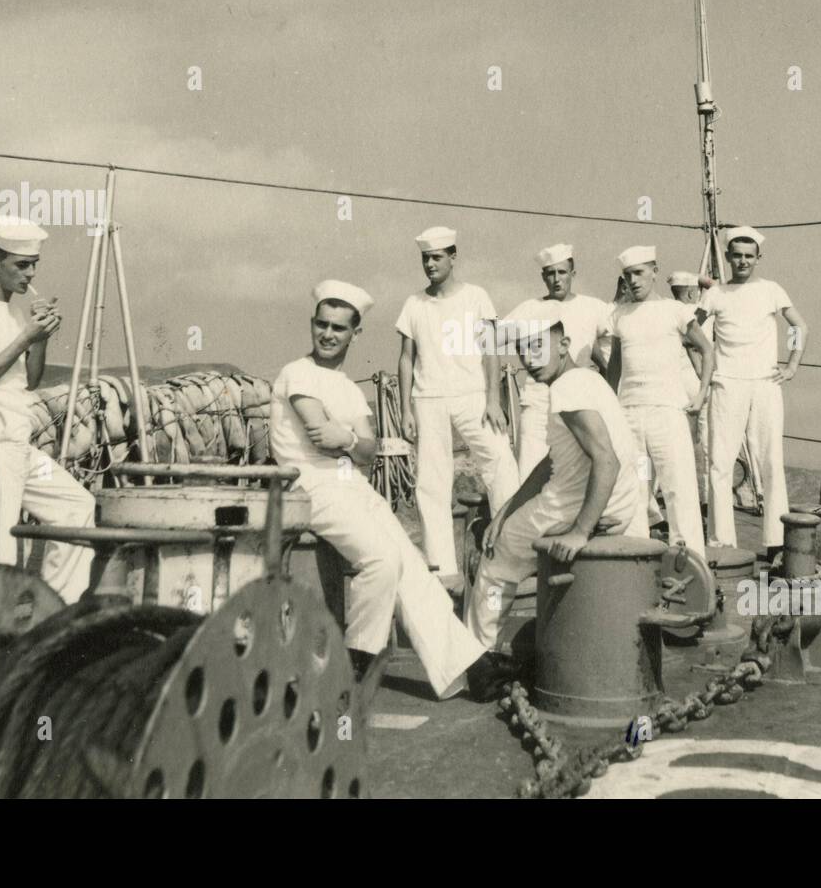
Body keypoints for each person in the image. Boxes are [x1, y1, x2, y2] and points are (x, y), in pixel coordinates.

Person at [269, 281, 484, 698]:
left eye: (339, 328)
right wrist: (351, 440)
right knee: (382, 561)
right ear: (313, 324)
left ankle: (463, 668)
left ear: (355, 333)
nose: (328, 334)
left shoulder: (349, 388)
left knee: (413, 568)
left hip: (353, 485)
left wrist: (347, 439)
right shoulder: (296, 373)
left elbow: (367, 451)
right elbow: (319, 436)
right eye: (321, 325)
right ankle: (354, 665)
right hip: (308, 485)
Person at [466, 303, 647, 699]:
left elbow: (607, 459)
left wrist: (581, 530)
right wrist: (510, 508)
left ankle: (481, 660)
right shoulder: (587, 380)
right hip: (615, 504)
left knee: (494, 562)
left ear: (563, 344)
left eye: (537, 346)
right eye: (521, 349)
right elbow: (553, 459)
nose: (529, 359)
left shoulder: (566, 389)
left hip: (575, 504)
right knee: (507, 528)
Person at [0, 215, 95, 602]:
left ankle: (57, 610)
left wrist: (39, 337)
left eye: (34, 265)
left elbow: (29, 379)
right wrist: (26, 336)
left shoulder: (15, 313)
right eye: (21, 265)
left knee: (77, 506)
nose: (30, 274)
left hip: (16, 438)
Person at [395, 227, 518, 589]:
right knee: (432, 482)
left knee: (500, 461)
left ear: (453, 257)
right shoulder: (413, 304)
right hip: (428, 397)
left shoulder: (476, 297)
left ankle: (509, 548)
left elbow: (492, 349)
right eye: (425, 259)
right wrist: (404, 410)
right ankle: (443, 568)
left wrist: (494, 399)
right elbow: (405, 360)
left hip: (472, 394)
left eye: (436, 258)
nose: (430, 265)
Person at [696, 226, 808, 553]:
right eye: (737, 256)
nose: (743, 261)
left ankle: (775, 541)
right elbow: (692, 332)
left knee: (770, 459)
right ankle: (721, 543)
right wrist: (707, 372)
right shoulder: (714, 294)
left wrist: (792, 365)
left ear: (758, 258)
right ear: (729, 257)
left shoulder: (772, 290)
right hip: (726, 384)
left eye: (749, 256)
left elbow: (800, 325)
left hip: (764, 383)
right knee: (720, 463)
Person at [605, 246, 714, 553]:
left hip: (667, 413)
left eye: (639, 273)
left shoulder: (675, 311)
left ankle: (691, 560)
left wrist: (702, 393)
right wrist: (610, 404)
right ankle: (638, 561)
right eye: (628, 275)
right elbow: (615, 364)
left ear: (654, 271)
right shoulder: (619, 315)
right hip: (629, 413)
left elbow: (706, 350)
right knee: (635, 489)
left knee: (678, 486)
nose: (634, 281)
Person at [505, 243, 610, 480]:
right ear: (543, 277)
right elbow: (490, 339)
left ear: (573, 273)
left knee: (578, 473)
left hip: (578, 403)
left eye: (562, 272)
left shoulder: (594, 307)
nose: (556, 279)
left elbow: (616, 344)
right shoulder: (529, 308)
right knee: (530, 475)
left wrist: (607, 385)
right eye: (550, 274)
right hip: (538, 403)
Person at [668, 270, 710, 508]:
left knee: (666, 444)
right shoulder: (696, 314)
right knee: (703, 442)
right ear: (693, 292)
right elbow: (697, 349)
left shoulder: (666, 312)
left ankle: (658, 497)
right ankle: (702, 497)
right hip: (694, 384)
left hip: (671, 385)